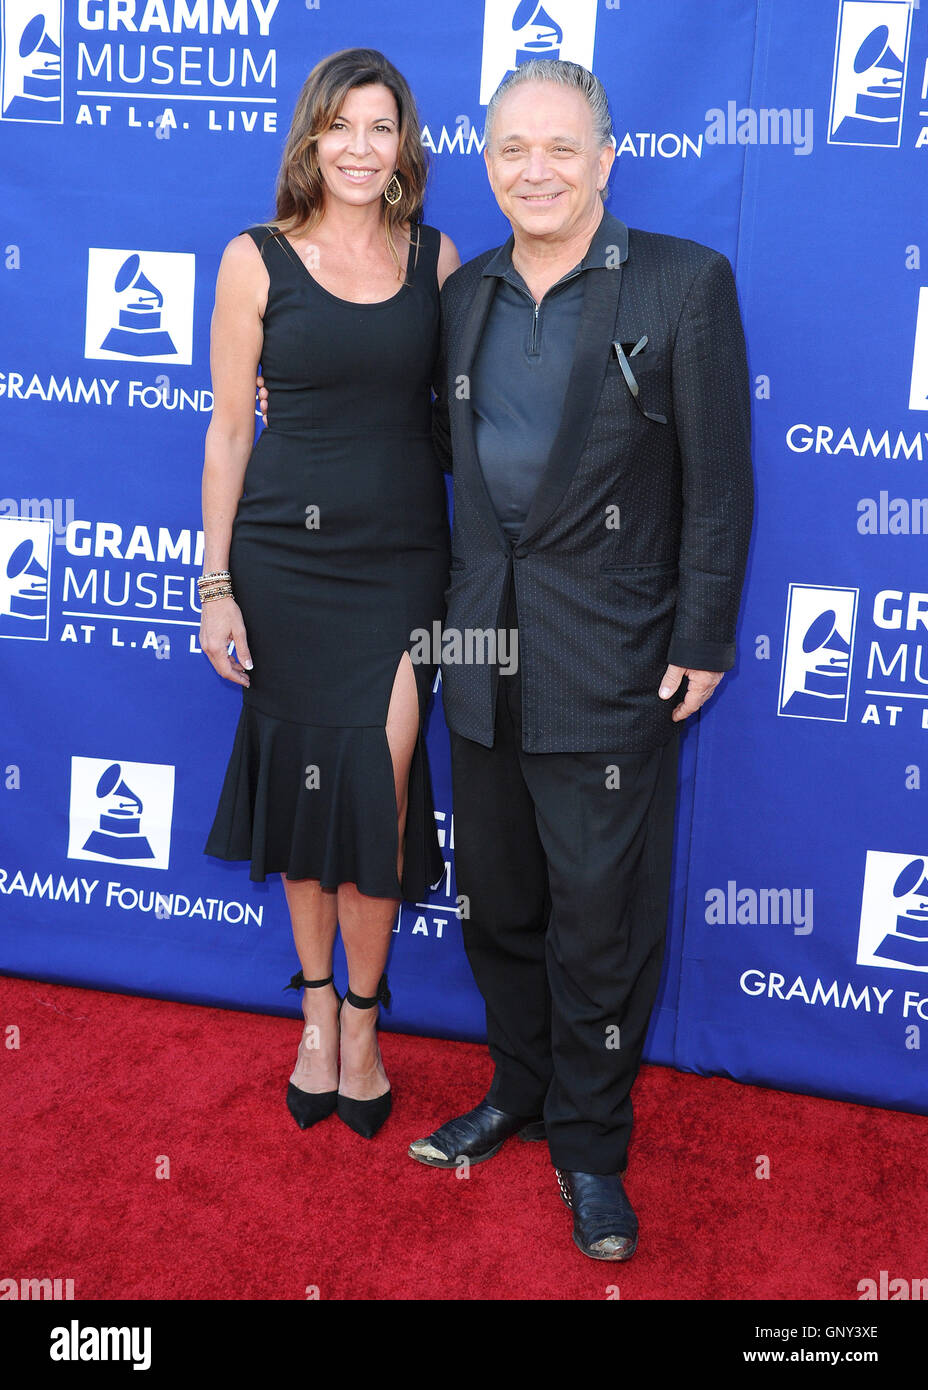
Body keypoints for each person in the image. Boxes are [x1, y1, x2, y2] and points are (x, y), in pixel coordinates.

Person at [405, 59, 754, 1260]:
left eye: (561, 147)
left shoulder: (681, 281)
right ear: (487, 161)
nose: (536, 169)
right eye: (512, 149)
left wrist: (703, 633)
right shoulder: (464, 293)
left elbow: (717, 481)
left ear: (606, 158)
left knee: (598, 922)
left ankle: (593, 1150)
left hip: (613, 660)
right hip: (478, 647)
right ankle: (520, 1088)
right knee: (499, 902)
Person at [200, 47, 459, 1141]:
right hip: (282, 564)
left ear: (405, 147)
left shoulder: (436, 259)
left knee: (376, 790)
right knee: (306, 799)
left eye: (381, 127)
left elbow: (461, 423)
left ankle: (366, 1012)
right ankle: (319, 1020)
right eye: (340, 126)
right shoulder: (255, 260)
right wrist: (217, 583)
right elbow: (226, 429)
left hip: (402, 566)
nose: (360, 147)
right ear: (310, 138)